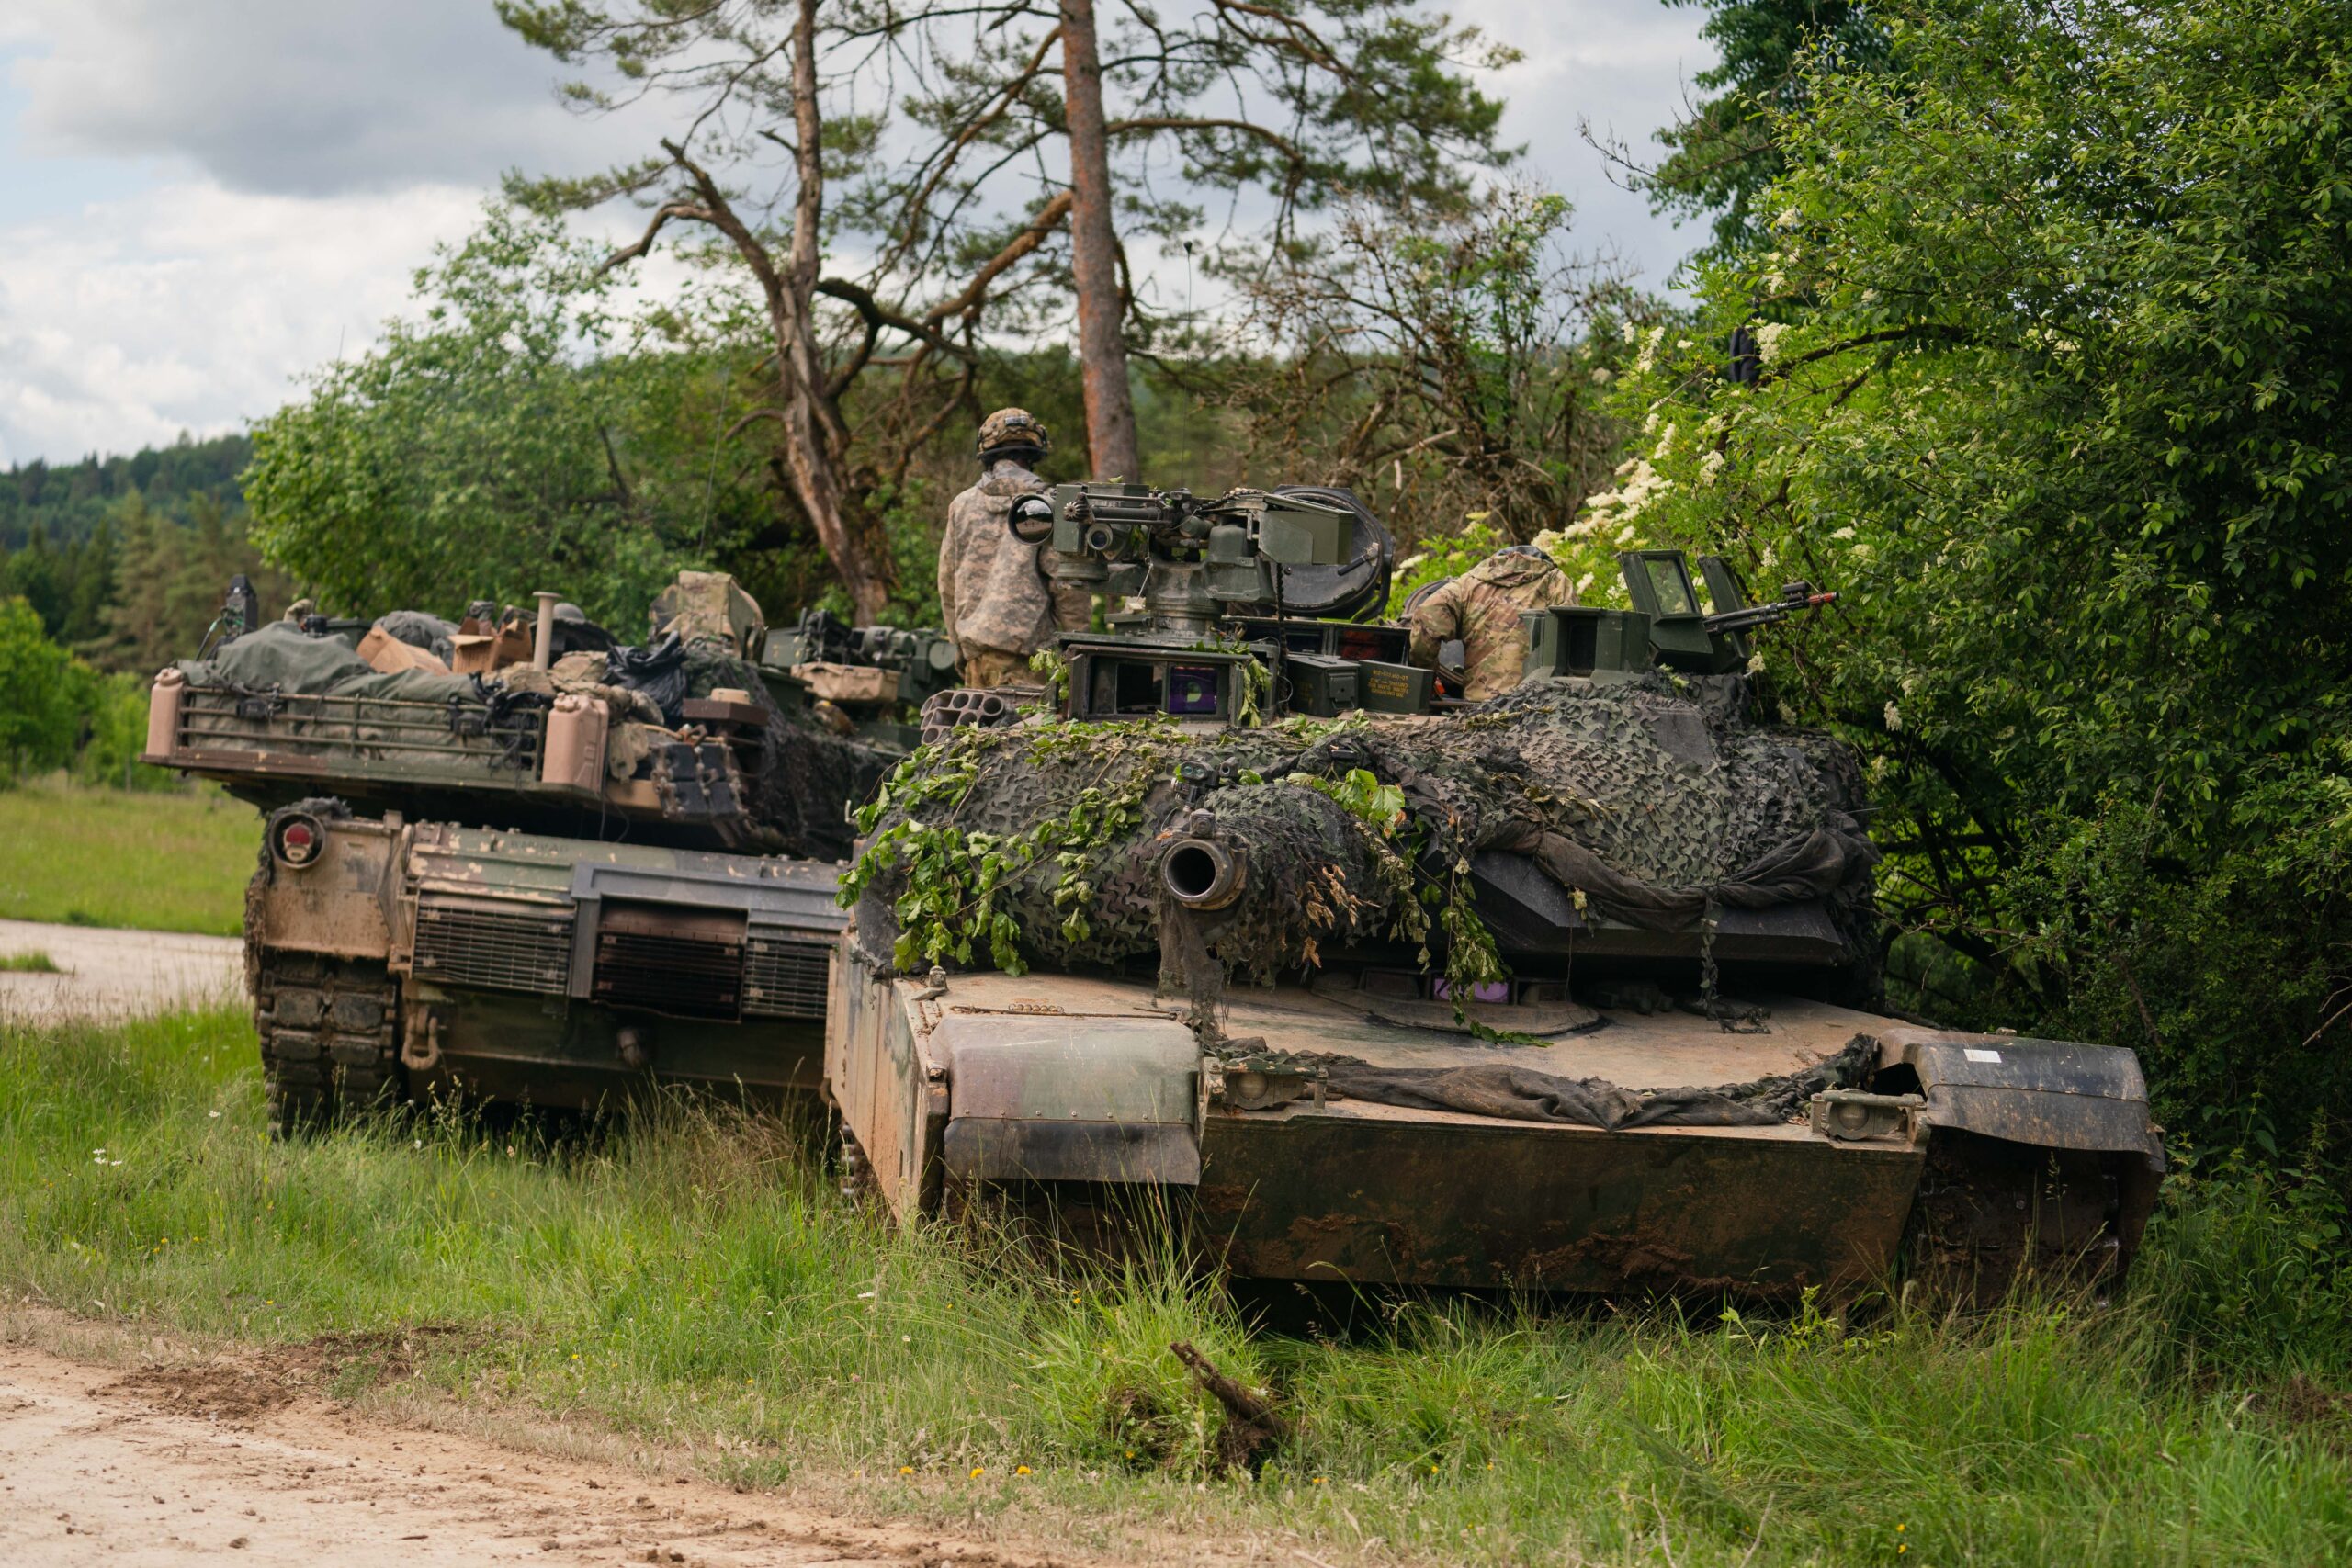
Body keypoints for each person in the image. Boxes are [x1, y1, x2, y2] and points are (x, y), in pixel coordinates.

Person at [938, 408, 1090, 687]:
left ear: (986, 451)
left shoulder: (962, 505)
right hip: (1030, 664)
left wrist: (959, 646)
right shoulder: (1048, 505)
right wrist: (1079, 654)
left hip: (977, 659)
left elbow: (948, 585)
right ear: (1034, 451)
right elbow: (1069, 585)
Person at [1406, 544, 1578, 701]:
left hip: (1478, 707)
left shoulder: (1468, 583)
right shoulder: (1555, 582)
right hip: (1534, 708)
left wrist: (1427, 675)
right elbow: (1573, 642)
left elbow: (1427, 615)